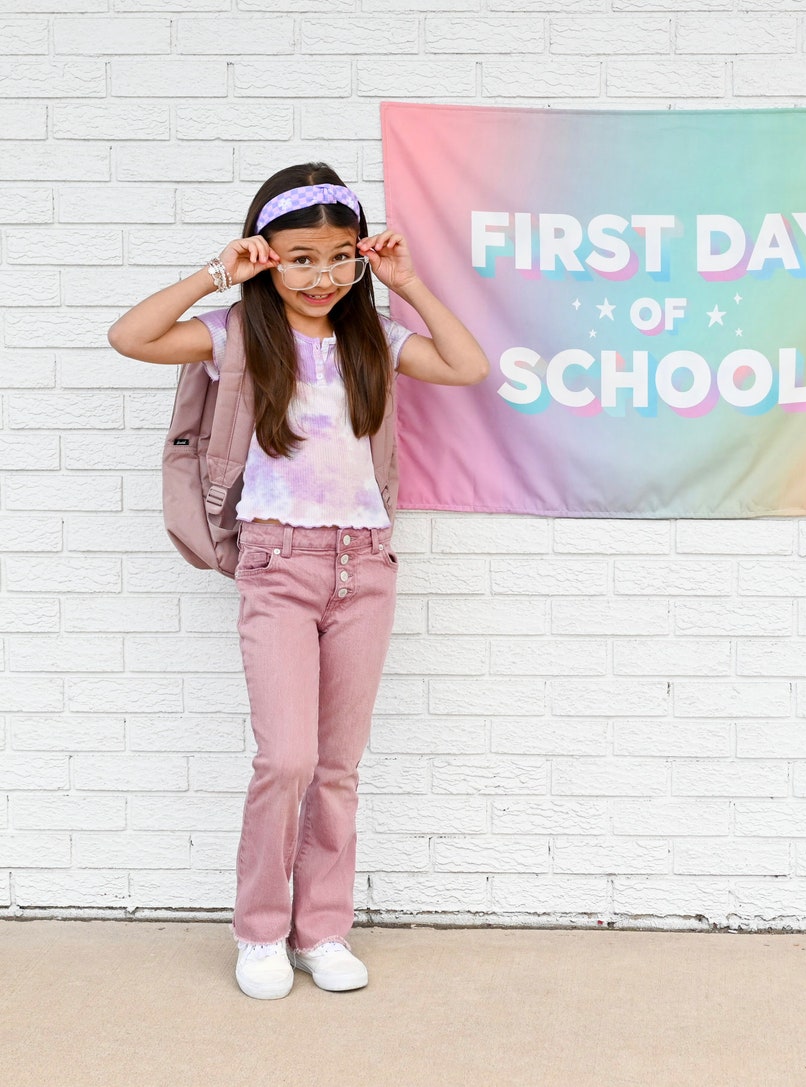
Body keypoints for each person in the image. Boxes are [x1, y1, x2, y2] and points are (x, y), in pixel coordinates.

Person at [108, 163, 489, 1000]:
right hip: (278, 565)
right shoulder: (236, 335)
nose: (323, 276)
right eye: (301, 257)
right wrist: (218, 274)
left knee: (337, 766)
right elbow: (129, 337)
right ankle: (259, 932)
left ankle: (322, 929)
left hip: (367, 565)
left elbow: (466, 366)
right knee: (285, 759)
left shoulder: (372, 340)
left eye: (340, 256)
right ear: (267, 255)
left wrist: (408, 283)